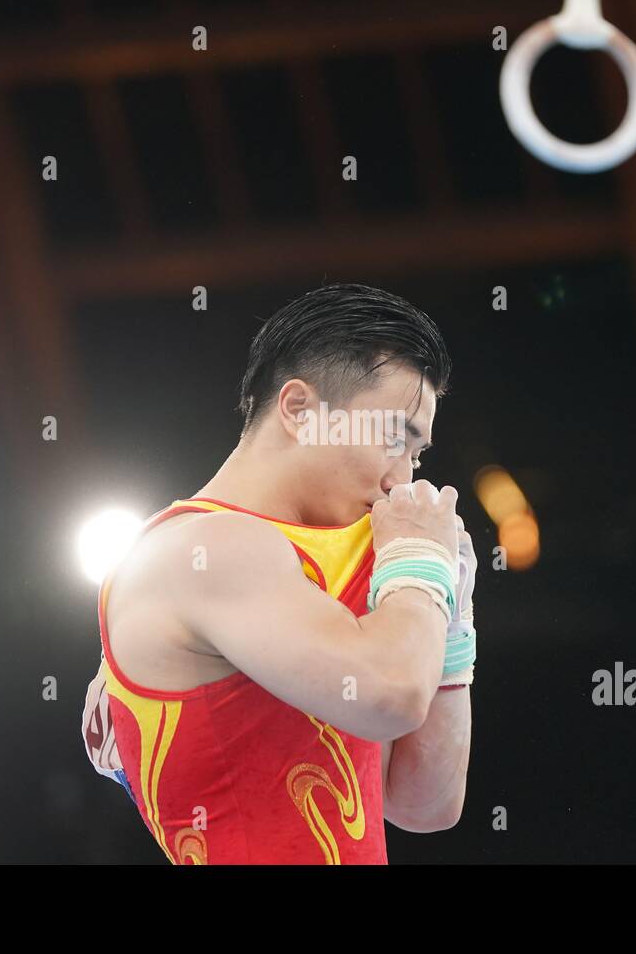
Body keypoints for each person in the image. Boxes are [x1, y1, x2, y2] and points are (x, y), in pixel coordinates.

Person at [81, 283, 478, 864]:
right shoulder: (201, 550)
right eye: (394, 438)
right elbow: (392, 696)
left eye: (416, 455)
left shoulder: (337, 570)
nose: (403, 479)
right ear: (299, 410)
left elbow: (424, 805)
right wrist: (420, 568)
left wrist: (453, 619)